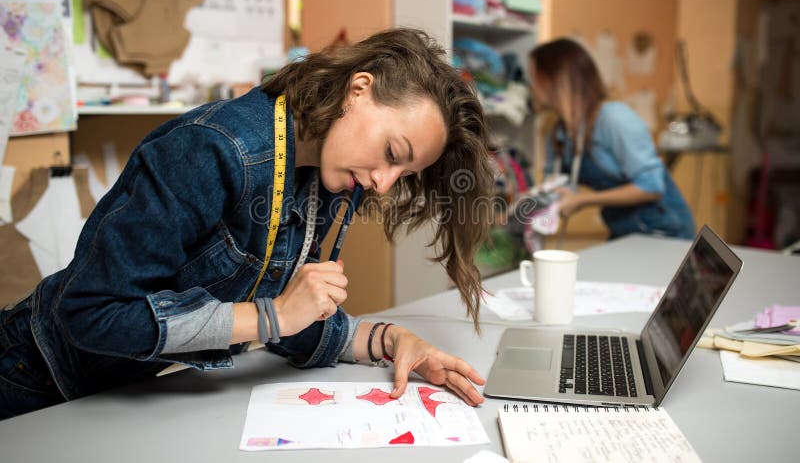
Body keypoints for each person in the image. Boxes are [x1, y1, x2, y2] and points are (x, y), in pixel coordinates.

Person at [0, 28, 494, 419]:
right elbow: (91, 314)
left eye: (402, 174)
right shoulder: (213, 149)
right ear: (359, 89)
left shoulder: (321, 176)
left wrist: (390, 341)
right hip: (33, 375)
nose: (384, 184)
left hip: (119, 396)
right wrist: (272, 315)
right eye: (391, 152)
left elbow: (292, 322)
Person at [529, 38, 695, 239]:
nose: (531, 87)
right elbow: (557, 185)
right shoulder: (558, 134)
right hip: (624, 229)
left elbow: (652, 186)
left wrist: (583, 200)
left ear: (553, 79)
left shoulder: (613, 118)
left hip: (665, 228)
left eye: (534, 77)